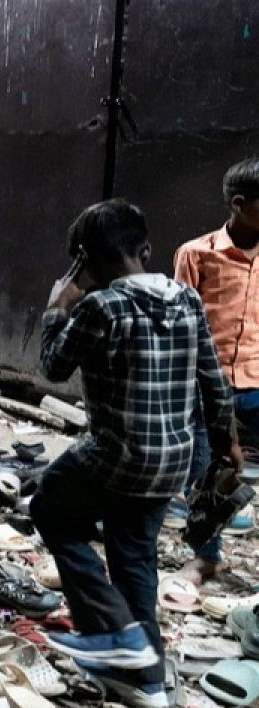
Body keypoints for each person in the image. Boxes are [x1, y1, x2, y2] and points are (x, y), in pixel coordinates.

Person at [33, 199, 237, 708]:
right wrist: (226, 444)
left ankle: (115, 635)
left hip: (117, 454)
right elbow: (213, 382)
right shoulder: (188, 301)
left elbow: (54, 368)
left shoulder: (101, 307)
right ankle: (148, 680)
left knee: (49, 508)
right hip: (172, 458)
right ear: (145, 250)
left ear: (84, 262)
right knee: (134, 556)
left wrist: (58, 306)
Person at [174, 157, 259, 583]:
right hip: (209, 386)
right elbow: (183, 328)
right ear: (240, 204)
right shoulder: (196, 254)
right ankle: (207, 556)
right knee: (207, 473)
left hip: (257, 381)